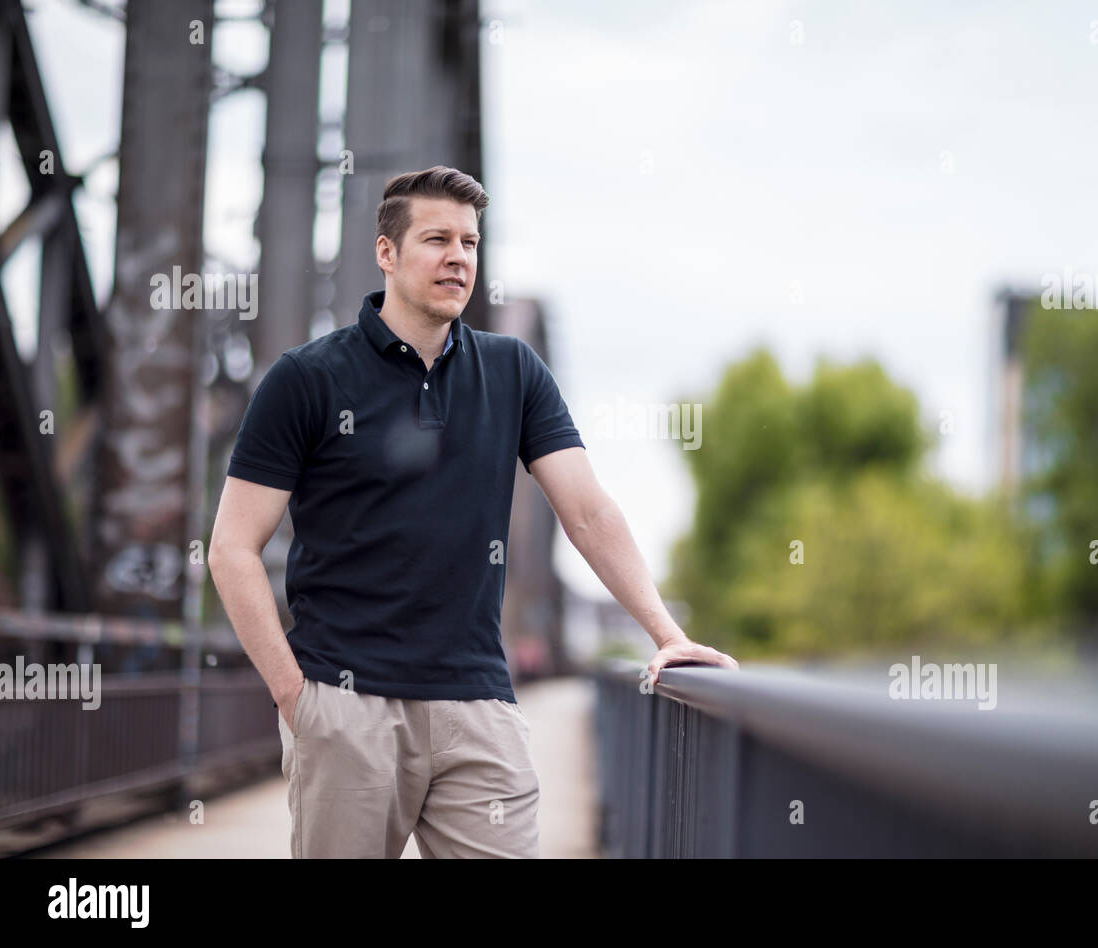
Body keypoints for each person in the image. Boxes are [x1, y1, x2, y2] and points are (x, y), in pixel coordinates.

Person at [207, 165, 738, 858]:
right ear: (387, 253)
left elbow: (587, 513)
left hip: (479, 706)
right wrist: (296, 698)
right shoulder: (307, 378)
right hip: (346, 706)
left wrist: (666, 634)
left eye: (469, 241)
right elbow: (232, 548)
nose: (458, 256)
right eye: (436, 239)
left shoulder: (513, 371)